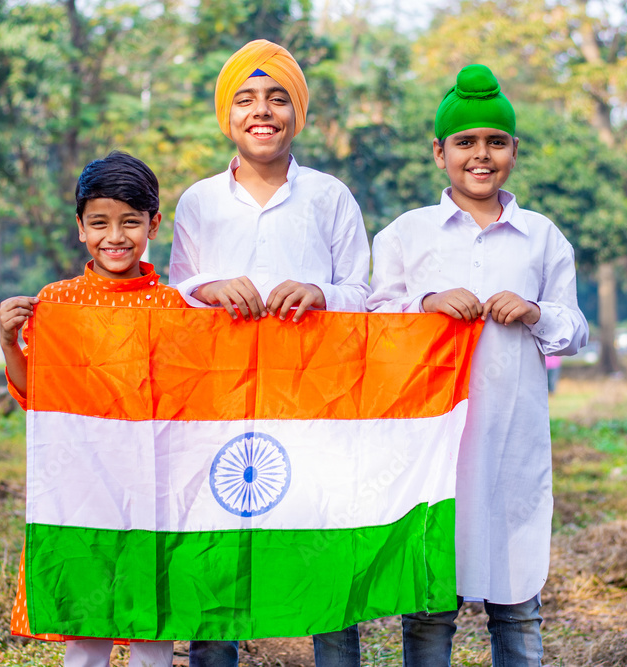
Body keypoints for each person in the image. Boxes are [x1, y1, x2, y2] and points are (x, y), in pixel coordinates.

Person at [367, 64, 588, 666]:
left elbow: (575, 330)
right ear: (439, 152)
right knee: (432, 606)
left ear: (514, 150)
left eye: (495, 141)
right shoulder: (405, 236)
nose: (480, 155)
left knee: (518, 606)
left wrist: (536, 312)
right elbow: (374, 326)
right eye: (465, 142)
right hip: (434, 453)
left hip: (513, 445)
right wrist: (426, 305)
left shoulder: (542, 237)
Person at [168, 39, 372, 667]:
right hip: (220, 409)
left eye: (278, 98)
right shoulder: (198, 202)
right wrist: (206, 288)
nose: (263, 111)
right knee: (217, 553)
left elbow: (365, 295)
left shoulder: (330, 196)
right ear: (227, 117)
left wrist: (320, 294)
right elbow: (174, 298)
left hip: (315, 407)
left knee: (325, 552)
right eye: (246, 99)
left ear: (297, 113)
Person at [0, 151, 186, 667]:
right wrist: (10, 342)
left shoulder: (176, 308)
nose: (115, 236)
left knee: (152, 631)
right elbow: (34, 397)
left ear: (154, 224)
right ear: (80, 227)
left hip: (155, 493)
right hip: (81, 491)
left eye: (130, 222)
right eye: (99, 222)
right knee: (85, 634)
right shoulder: (57, 304)